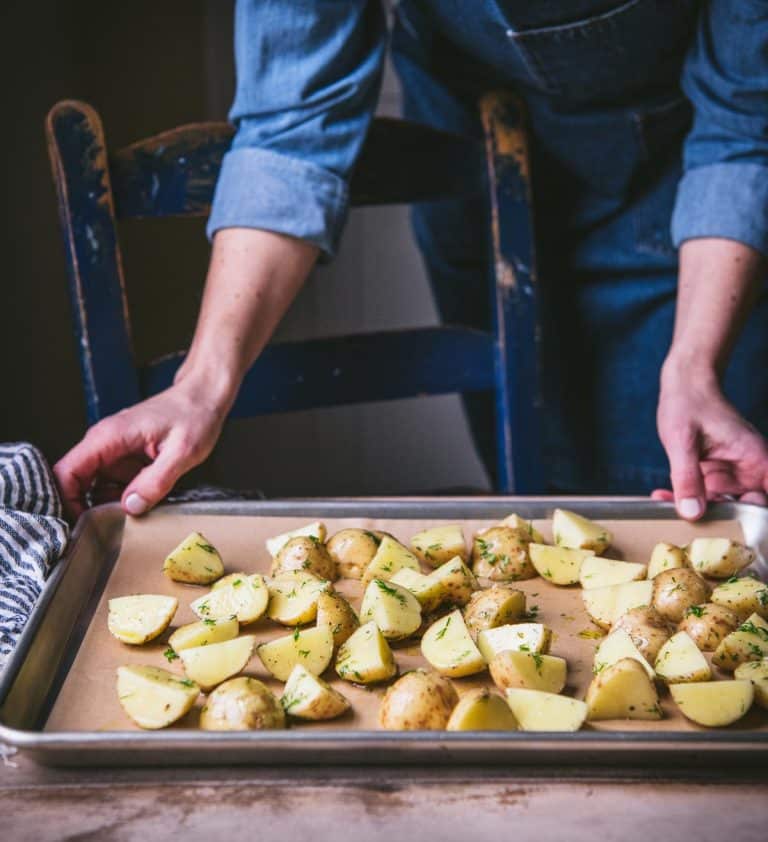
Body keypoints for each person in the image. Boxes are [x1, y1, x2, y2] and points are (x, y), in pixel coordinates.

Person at [54, 1, 768, 521]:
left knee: (681, 511)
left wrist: (695, 364)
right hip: (472, 165)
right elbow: (290, 133)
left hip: (689, 207)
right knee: (543, 506)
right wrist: (201, 384)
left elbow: (743, 126)